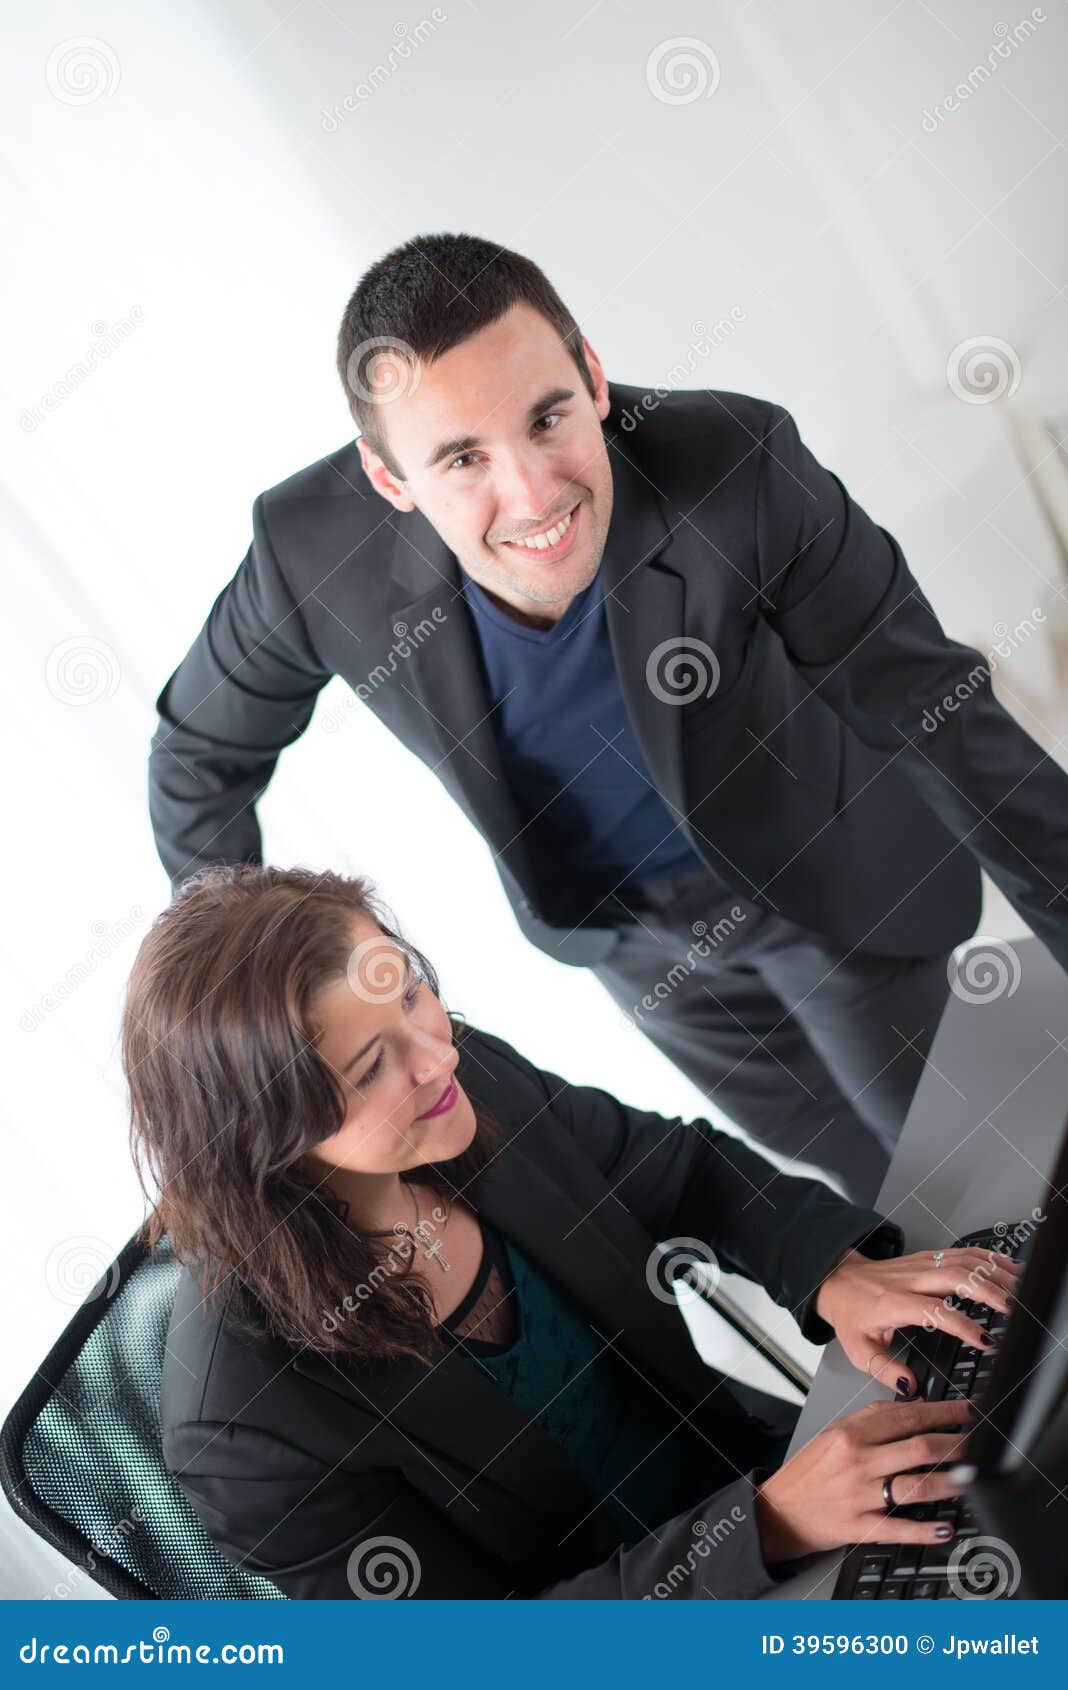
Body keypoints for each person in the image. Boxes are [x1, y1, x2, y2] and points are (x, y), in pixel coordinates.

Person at [146, 233, 1068, 1206]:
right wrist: (256, 1007)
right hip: (630, 942)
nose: (534, 495)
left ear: (591, 376)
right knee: (866, 1184)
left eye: (548, 418)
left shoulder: (738, 465)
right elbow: (199, 753)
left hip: (818, 873)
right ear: (390, 479)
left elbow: (935, 712)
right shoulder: (309, 552)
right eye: (463, 458)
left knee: (988, 1169)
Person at [127, 864, 1019, 1599]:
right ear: (268, 1138)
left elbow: (682, 1172)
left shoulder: (460, 1086)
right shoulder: (243, 1430)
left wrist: (832, 1271)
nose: (439, 1054)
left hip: (780, 1485)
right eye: (370, 1069)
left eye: (410, 992)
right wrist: (767, 1526)